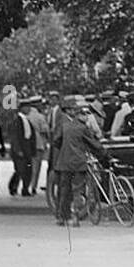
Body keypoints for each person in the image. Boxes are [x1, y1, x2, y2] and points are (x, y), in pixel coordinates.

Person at [52, 96, 109, 225]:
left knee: (65, 190)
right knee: (78, 190)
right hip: (78, 163)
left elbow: (56, 141)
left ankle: (62, 217)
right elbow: (93, 144)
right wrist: (104, 154)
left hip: (64, 163)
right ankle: (75, 216)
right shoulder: (82, 128)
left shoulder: (63, 125)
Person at [26, 96, 49, 195]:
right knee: (36, 167)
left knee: (28, 166)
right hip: (38, 144)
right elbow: (45, 130)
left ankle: (26, 186)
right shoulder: (40, 116)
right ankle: (33, 187)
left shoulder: (26, 115)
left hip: (27, 144)